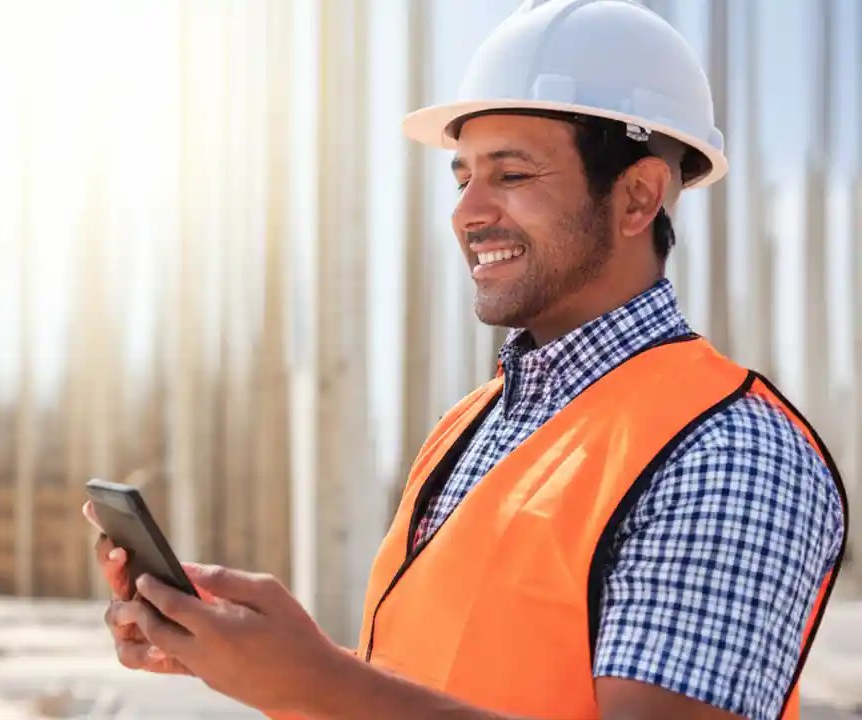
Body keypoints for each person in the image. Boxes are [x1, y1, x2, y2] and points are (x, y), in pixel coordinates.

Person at [82, 1, 849, 718]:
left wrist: (318, 682)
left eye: (511, 176)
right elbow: (446, 681)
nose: (467, 212)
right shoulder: (472, 424)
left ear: (638, 197)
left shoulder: (731, 449)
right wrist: (254, 662)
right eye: (463, 176)